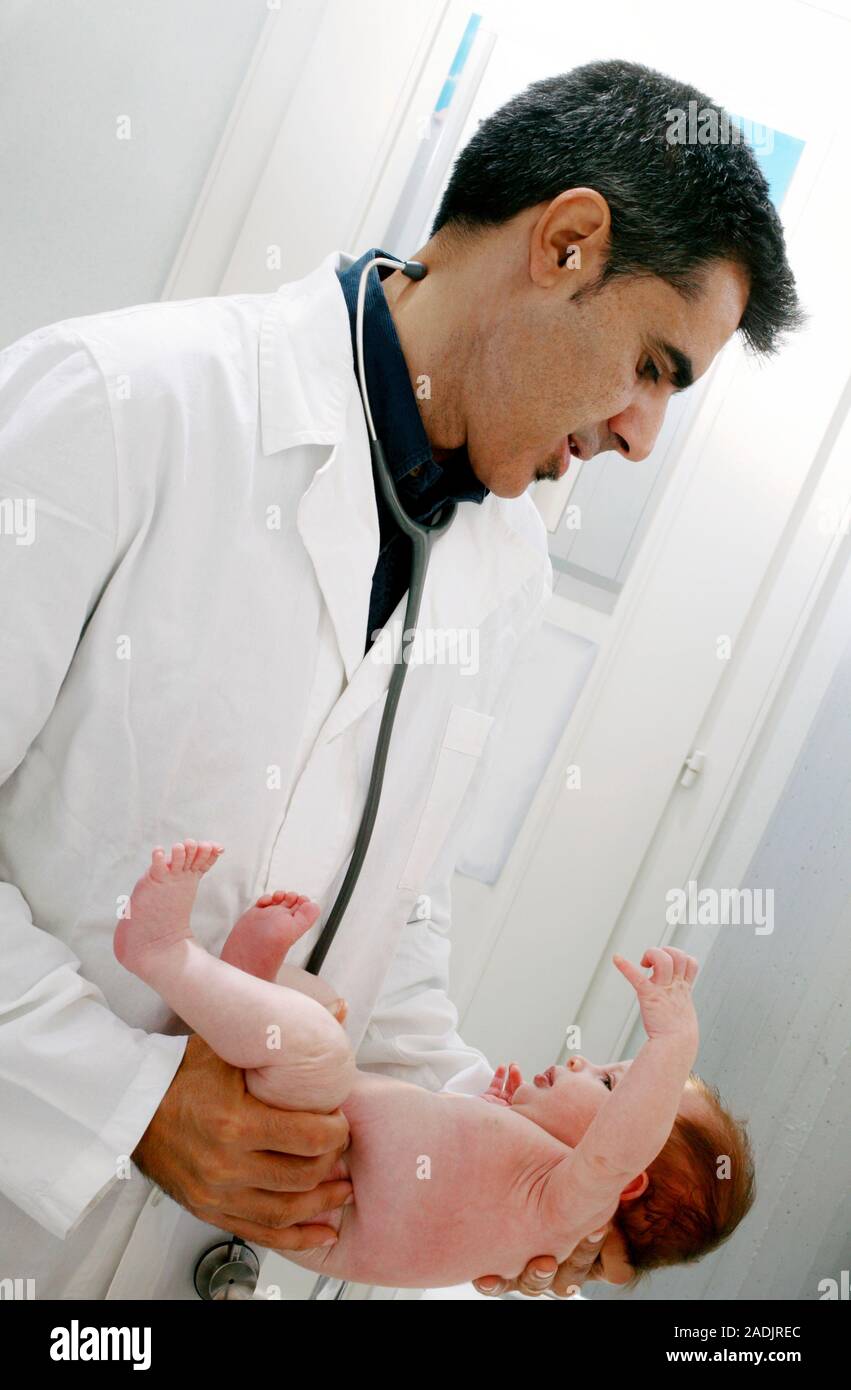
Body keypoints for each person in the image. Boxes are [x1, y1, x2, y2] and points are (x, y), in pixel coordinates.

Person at [0, 59, 801, 1300]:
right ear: (568, 243)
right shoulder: (121, 405)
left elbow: (390, 897)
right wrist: (124, 1100)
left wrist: (503, 1152)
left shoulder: (501, 562)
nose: (642, 437)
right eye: (652, 365)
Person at [112, 840, 755, 1290]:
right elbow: (444, 1149)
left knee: (315, 1040)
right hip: (320, 1167)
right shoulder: (536, 1199)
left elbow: (615, 1156)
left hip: (316, 1187)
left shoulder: (568, 1204)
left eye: (614, 1082)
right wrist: (492, 1111)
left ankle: (165, 950)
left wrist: (672, 1043)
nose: (582, 1060)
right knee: (324, 1008)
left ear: (628, 1179)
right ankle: (241, 978)